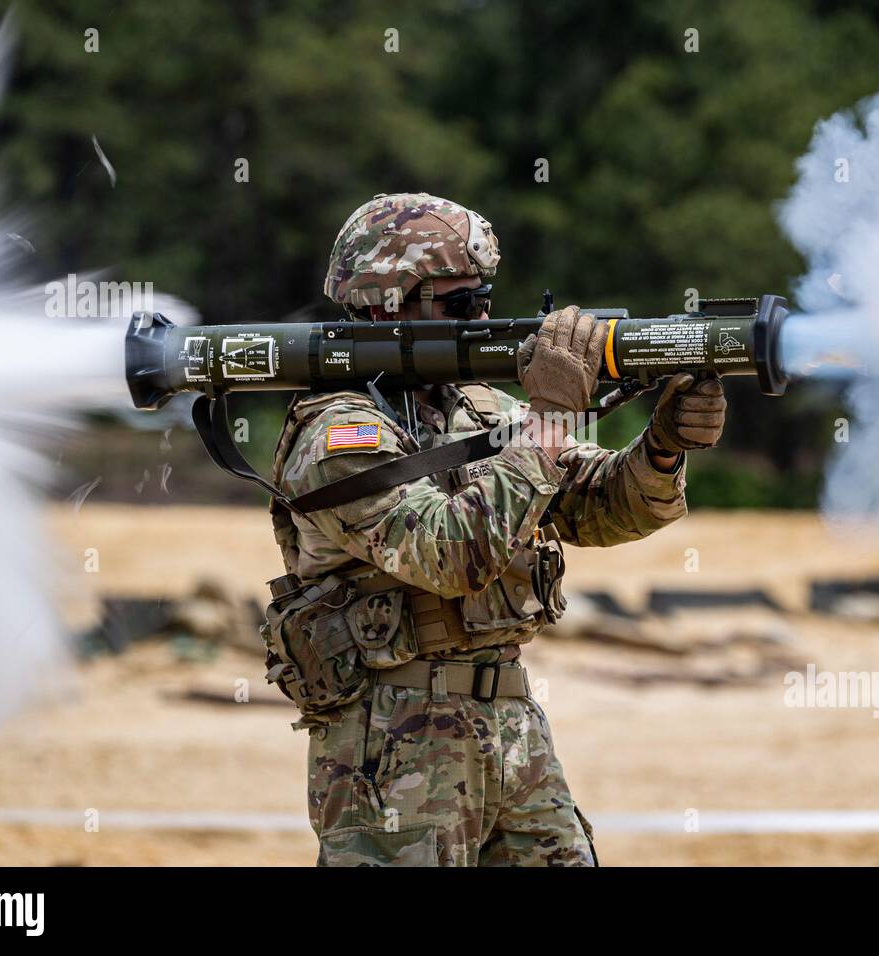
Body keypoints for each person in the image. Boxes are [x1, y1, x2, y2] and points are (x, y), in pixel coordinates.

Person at [265, 192, 726, 866]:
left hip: (509, 723)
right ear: (388, 303)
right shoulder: (339, 434)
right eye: (459, 304)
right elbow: (449, 554)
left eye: (484, 298)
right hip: (393, 741)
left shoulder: (477, 408)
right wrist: (547, 419)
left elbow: (596, 506)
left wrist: (660, 449)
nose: (482, 317)